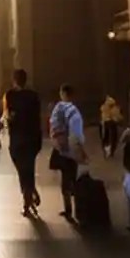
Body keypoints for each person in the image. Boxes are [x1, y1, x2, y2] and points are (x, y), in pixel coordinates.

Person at [4, 69, 43, 217]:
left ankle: (28, 200)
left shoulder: (10, 95)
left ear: (14, 80)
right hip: (32, 138)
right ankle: (30, 190)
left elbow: (10, 115)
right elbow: (37, 118)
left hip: (17, 139)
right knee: (28, 169)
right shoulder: (33, 96)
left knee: (22, 170)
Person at [49, 84, 86, 222]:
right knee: (72, 178)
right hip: (72, 149)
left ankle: (69, 209)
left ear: (63, 94)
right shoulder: (74, 111)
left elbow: (55, 128)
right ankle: (76, 209)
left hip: (64, 149)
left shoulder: (61, 109)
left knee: (66, 181)